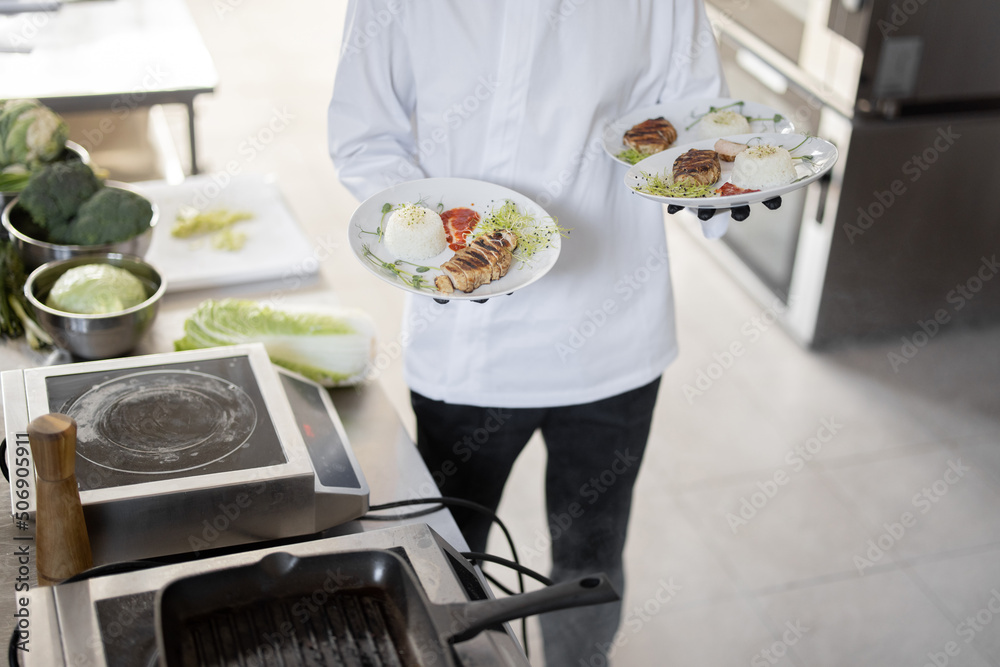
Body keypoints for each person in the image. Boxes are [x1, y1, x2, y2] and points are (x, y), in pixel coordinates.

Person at [328, 2, 730, 664]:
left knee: (589, 557)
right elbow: (364, 136)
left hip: (615, 335)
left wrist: (724, 191)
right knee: (450, 558)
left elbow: (697, 119)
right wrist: (439, 238)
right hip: (468, 343)